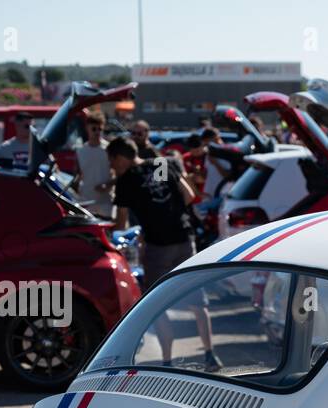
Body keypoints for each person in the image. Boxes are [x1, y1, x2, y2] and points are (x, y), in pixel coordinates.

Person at [107, 136, 219, 368]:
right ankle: (210, 354)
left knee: (157, 303)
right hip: (184, 238)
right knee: (197, 298)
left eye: (112, 161)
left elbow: (121, 223)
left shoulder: (126, 180)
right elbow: (188, 195)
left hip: (157, 246)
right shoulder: (161, 163)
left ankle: (167, 360)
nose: (112, 167)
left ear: (119, 158)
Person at [74, 111, 113, 219]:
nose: (97, 132)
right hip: (86, 201)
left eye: (99, 129)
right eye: (94, 129)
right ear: (87, 128)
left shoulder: (109, 149)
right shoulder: (80, 151)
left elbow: (116, 174)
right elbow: (77, 175)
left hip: (105, 202)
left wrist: (108, 185)